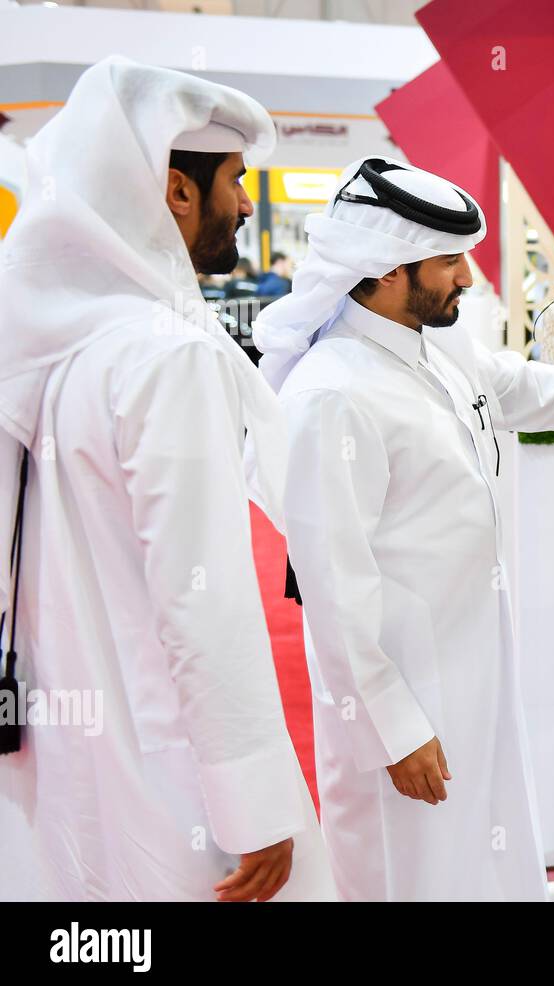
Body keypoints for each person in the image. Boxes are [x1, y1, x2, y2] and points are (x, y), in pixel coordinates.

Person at [254, 157, 554, 900]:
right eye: (450, 262)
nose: (469, 280)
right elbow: (332, 588)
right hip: (407, 700)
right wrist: (394, 726)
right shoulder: (333, 395)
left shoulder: (437, 349)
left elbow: (538, 391)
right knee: (412, 874)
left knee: (484, 860)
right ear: (386, 270)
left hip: (472, 672)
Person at [0, 56, 335, 902]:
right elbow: (202, 599)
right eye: (235, 179)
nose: (249, 204)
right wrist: (255, 803)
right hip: (176, 778)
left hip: (68, 760)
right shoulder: (165, 355)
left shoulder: (55, 350)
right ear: (177, 194)